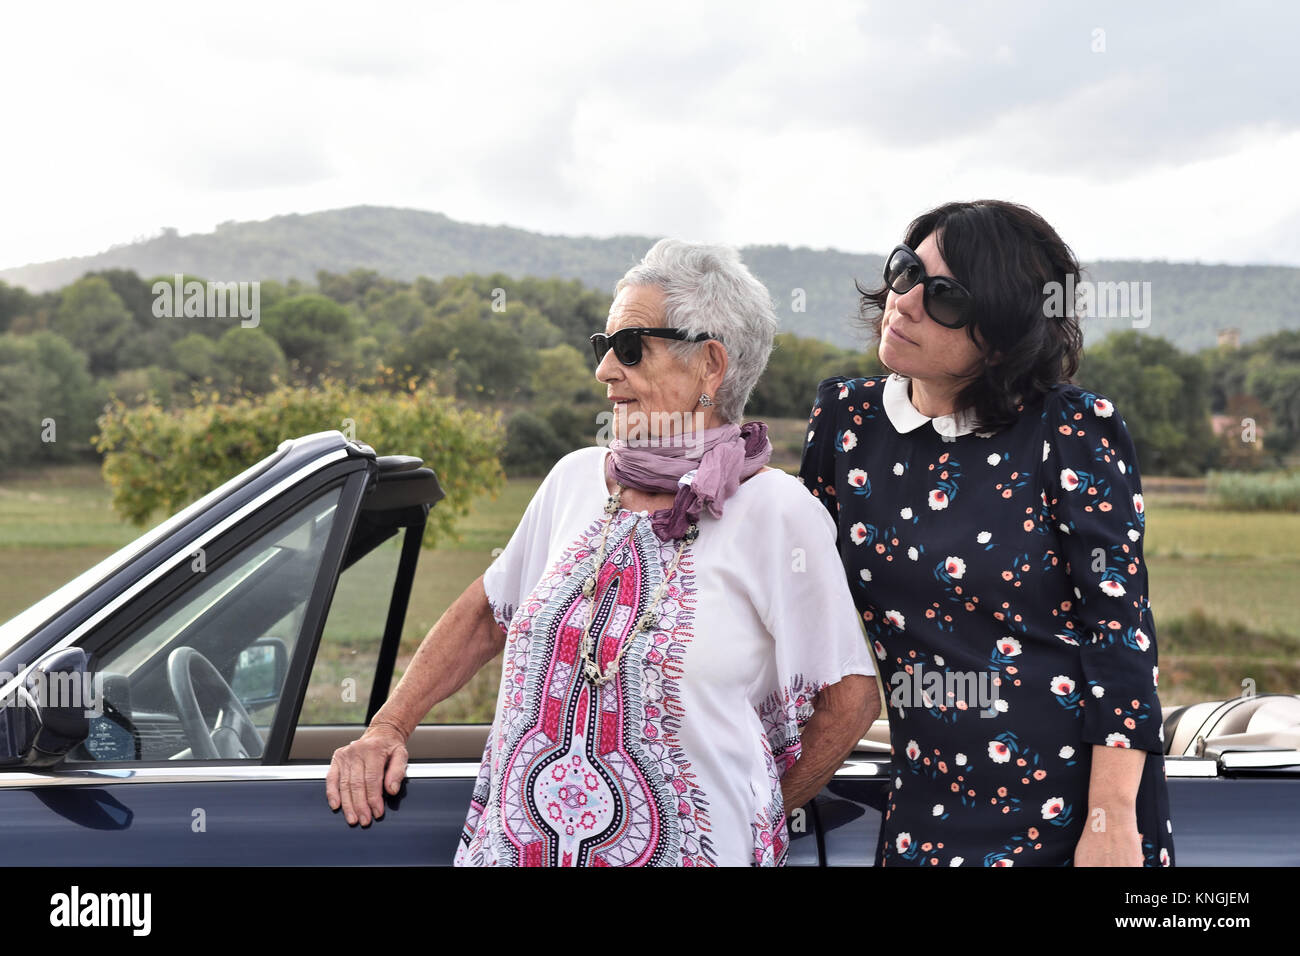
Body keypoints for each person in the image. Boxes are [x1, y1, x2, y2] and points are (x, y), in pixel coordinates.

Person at [327, 238, 879, 866]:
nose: (604, 371)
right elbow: (486, 615)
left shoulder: (776, 509)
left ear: (709, 364)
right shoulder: (574, 479)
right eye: (603, 346)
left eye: (629, 348)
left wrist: (756, 821)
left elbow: (849, 697)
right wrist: (388, 727)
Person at [799, 200, 1175, 867]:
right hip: (922, 805)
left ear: (1001, 336)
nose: (905, 300)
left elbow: (1120, 635)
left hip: (1073, 812)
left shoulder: (1072, 430)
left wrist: (1111, 819)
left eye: (944, 297)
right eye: (905, 271)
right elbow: (795, 599)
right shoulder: (845, 422)